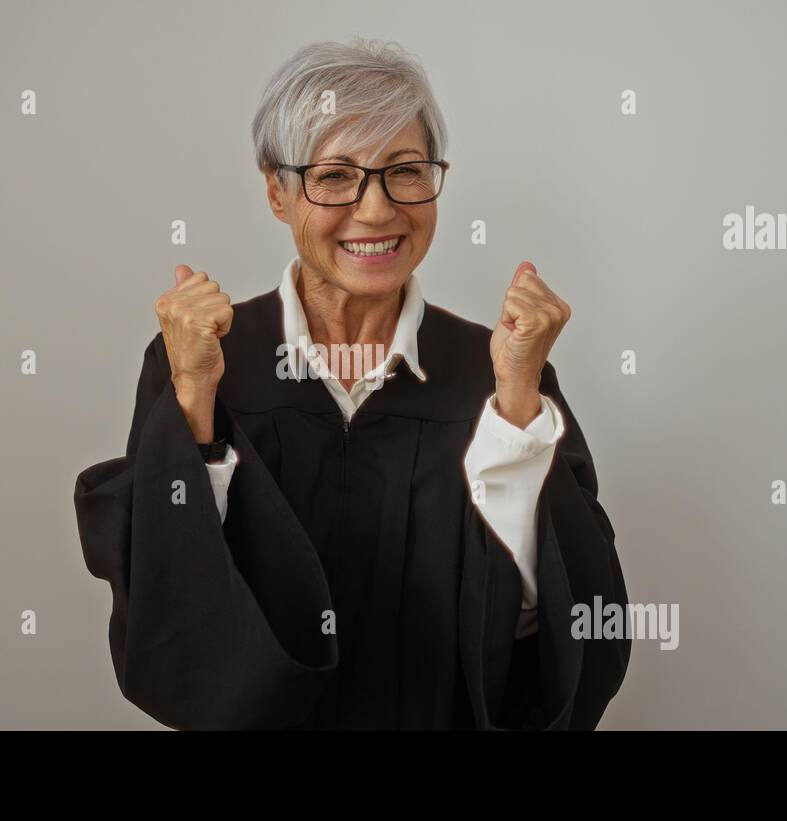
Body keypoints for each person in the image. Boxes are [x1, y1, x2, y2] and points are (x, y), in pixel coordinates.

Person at [74, 38, 630, 730]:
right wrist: (193, 402)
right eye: (335, 176)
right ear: (277, 192)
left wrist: (516, 414)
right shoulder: (203, 361)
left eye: (405, 171)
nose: (375, 211)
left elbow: (571, 642)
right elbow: (170, 624)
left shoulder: (497, 375)